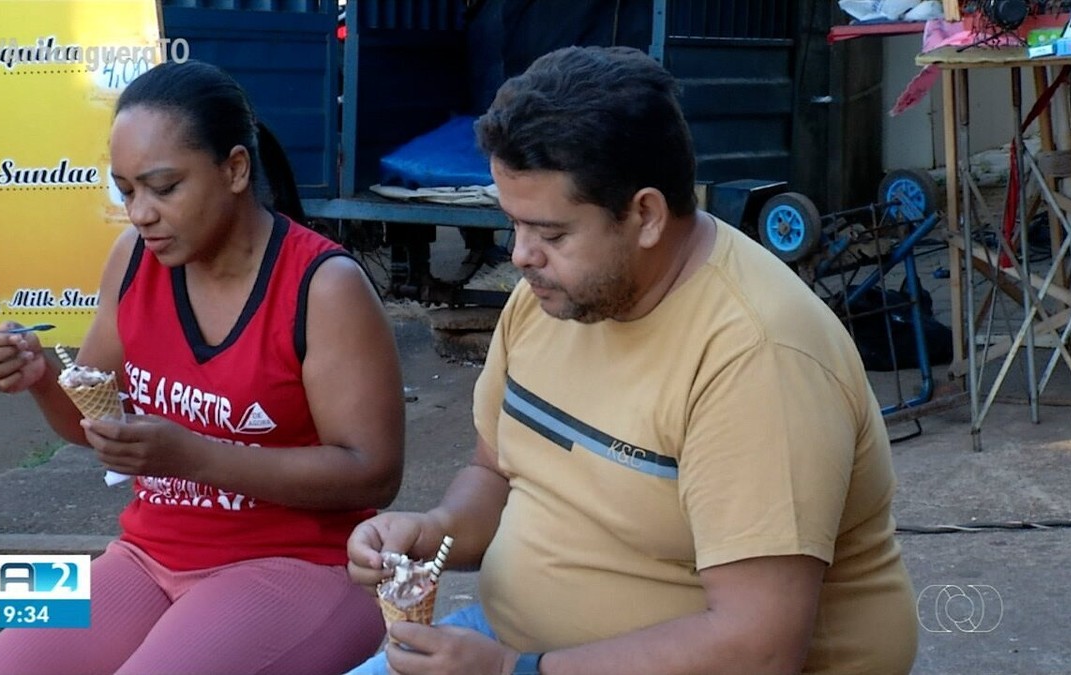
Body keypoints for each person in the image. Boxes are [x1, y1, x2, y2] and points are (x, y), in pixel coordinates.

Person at [346, 46, 918, 674]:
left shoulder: (756, 357)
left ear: (645, 215)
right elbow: (496, 474)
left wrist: (512, 670)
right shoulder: (555, 296)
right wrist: (431, 536)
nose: (521, 255)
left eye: (552, 233)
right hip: (516, 645)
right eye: (513, 224)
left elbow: (758, 648)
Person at [0, 60, 405, 675]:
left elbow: (373, 475)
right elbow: (95, 423)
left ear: (233, 169)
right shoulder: (132, 260)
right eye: (126, 190)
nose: (140, 212)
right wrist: (40, 379)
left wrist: (193, 455)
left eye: (163, 187)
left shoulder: (323, 287)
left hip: (301, 565)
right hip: (146, 555)